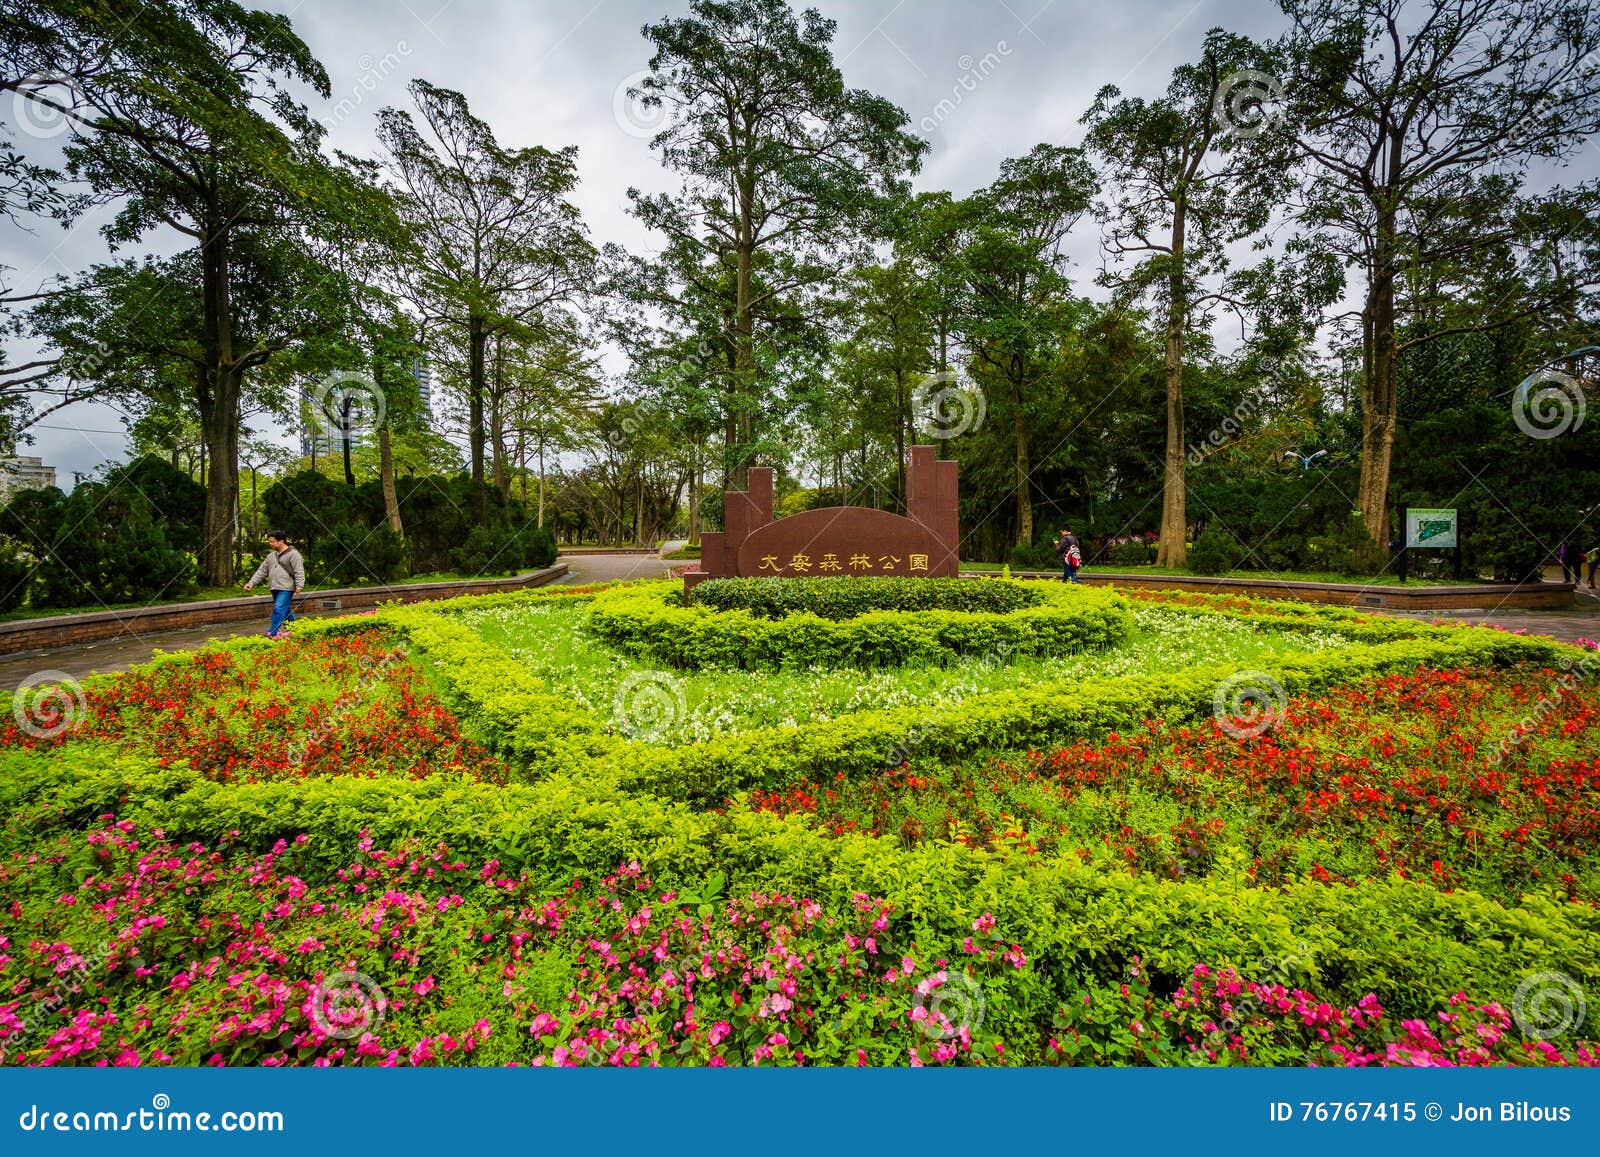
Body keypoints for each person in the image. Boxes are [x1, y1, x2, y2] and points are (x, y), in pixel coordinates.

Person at [243, 530, 306, 638]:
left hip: (286, 587)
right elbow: (262, 571)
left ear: (281, 541)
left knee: (278, 608)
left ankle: (272, 632)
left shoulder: (293, 554)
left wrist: (299, 585)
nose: (270, 543)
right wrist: (251, 583)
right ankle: (294, 629)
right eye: (270, 541)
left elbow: (298, 570)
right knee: (285, 609)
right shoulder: (271, 556)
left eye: (272, 541)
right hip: (274, 586)